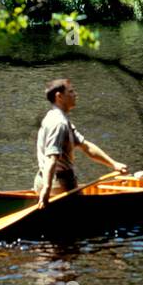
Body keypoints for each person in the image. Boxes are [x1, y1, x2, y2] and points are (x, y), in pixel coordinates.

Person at [35, 78, 128, 208]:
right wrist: (47, 188)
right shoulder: (59, 123)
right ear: (59, 96)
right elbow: (52, 158)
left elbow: (86, 147)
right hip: (59, 184)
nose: (75, 94)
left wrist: (113, 164)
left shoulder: (57, 118)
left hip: (47, 180)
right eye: (71, 91)